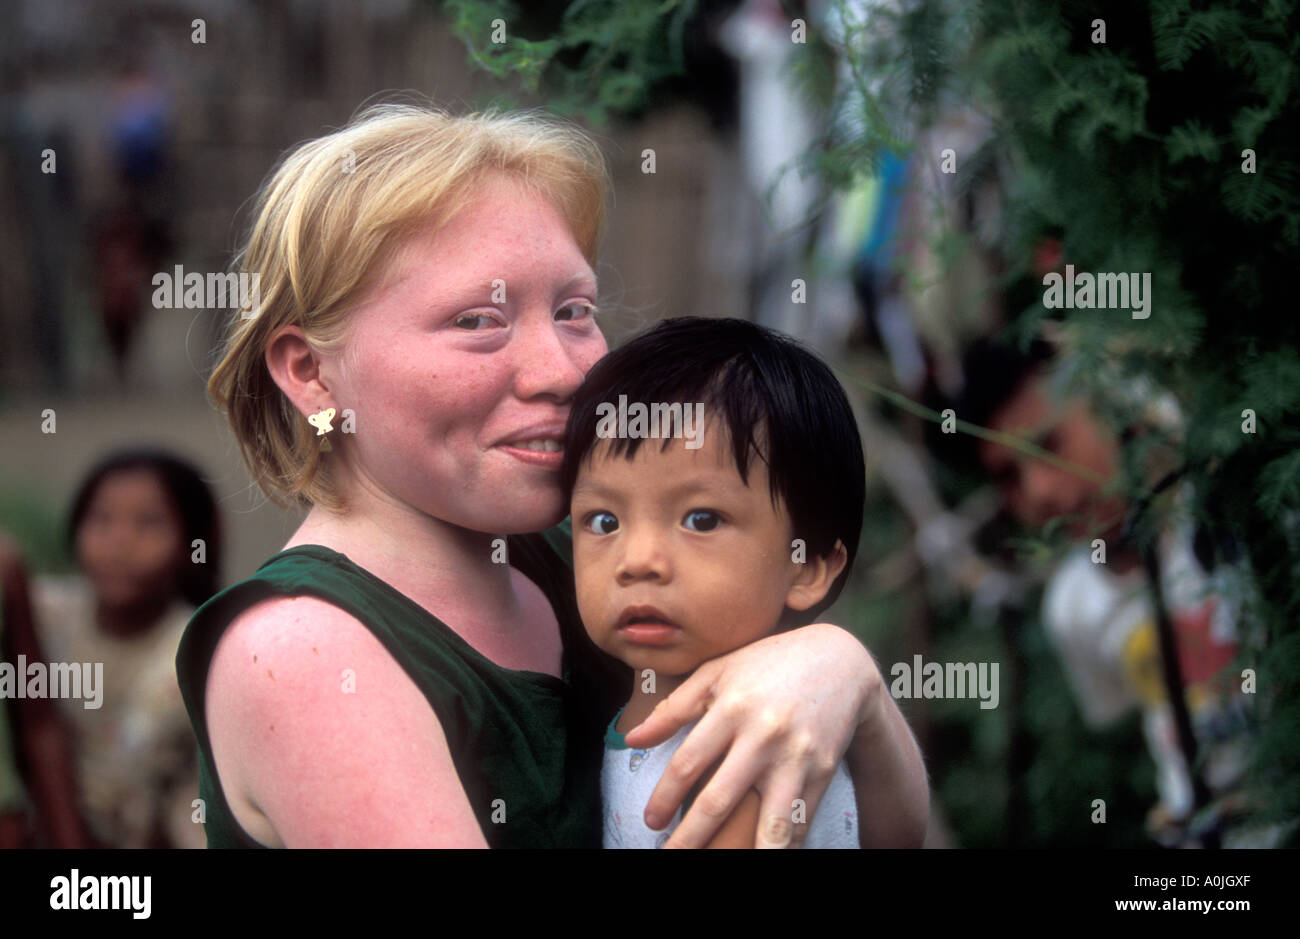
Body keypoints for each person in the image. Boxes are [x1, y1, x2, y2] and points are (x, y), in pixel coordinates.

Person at [178, 103, 928, 848]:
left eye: (574, 310)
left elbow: (883, 832)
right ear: (311, 372)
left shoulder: (597, 556)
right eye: (478, 321)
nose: (563, 372)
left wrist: (842, 674)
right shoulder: (303, 654)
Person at [562, 317, 866, 848]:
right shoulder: (629, 717)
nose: (637, 562)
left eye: (701, 520)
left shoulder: (750, 744)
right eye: (604, 521)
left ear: (809, 566)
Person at [962, 338, 1252, 846]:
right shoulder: (1073, 610)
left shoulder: (1236, 511)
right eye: (1009, 476)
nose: (1040, 493)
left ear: (1109, 403)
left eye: (1049, 445)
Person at [33, 449, 219, 848]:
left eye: (147, 523)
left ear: (192, 542)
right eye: (101, 520)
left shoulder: (196, 648)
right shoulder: (44, 617)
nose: (121, 542)